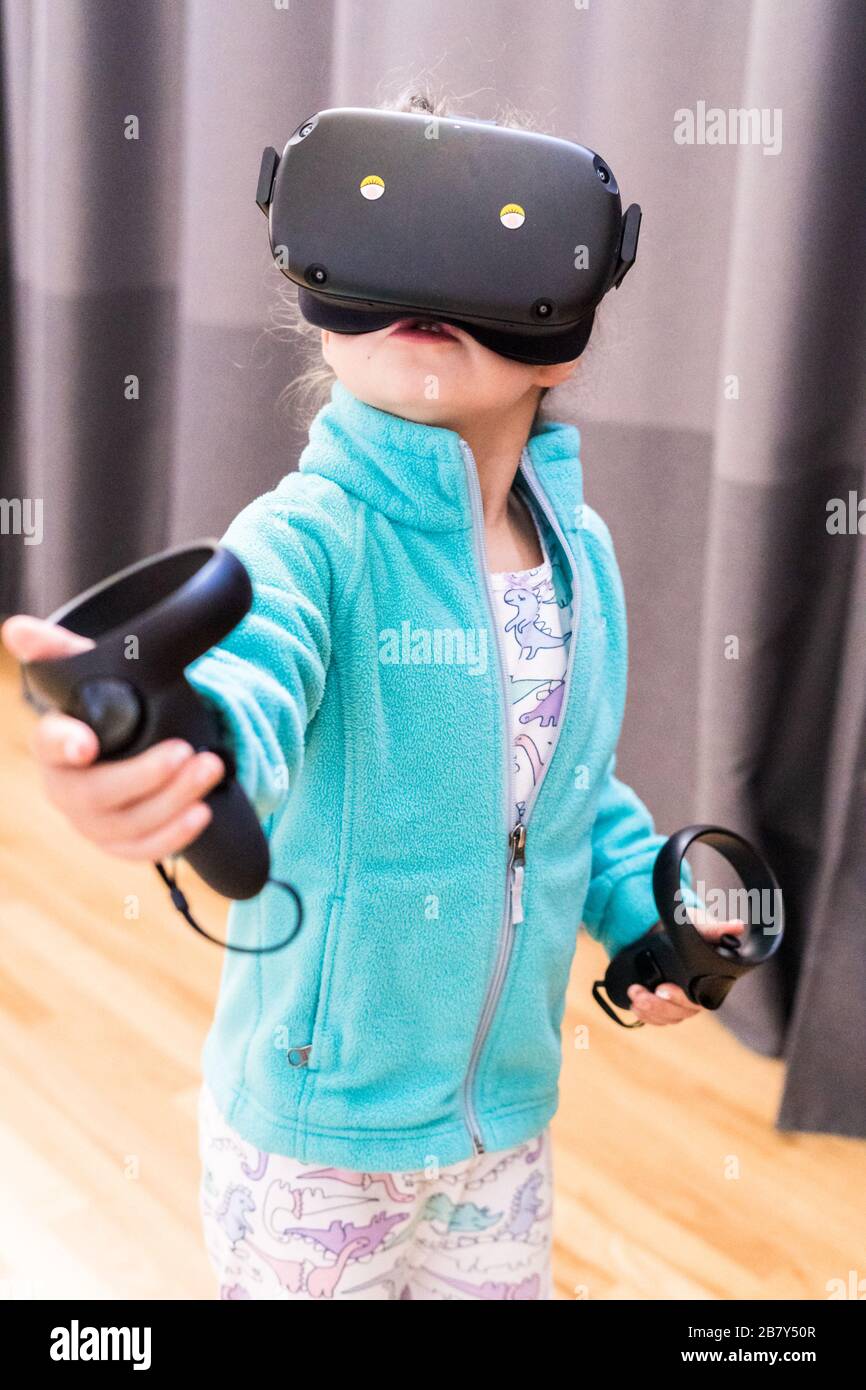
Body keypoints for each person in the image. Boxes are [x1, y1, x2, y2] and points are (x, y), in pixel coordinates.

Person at [1, 94, 742, 1301]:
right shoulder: (309, 537)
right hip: (314, 1139)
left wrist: (639, 905)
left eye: (489, 237)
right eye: (383, 224)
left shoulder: (579, 553)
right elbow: (255, 666)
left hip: (502, 1124)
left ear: (568, 327)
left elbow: (566, 785)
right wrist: (191, 757)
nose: (425, 285)